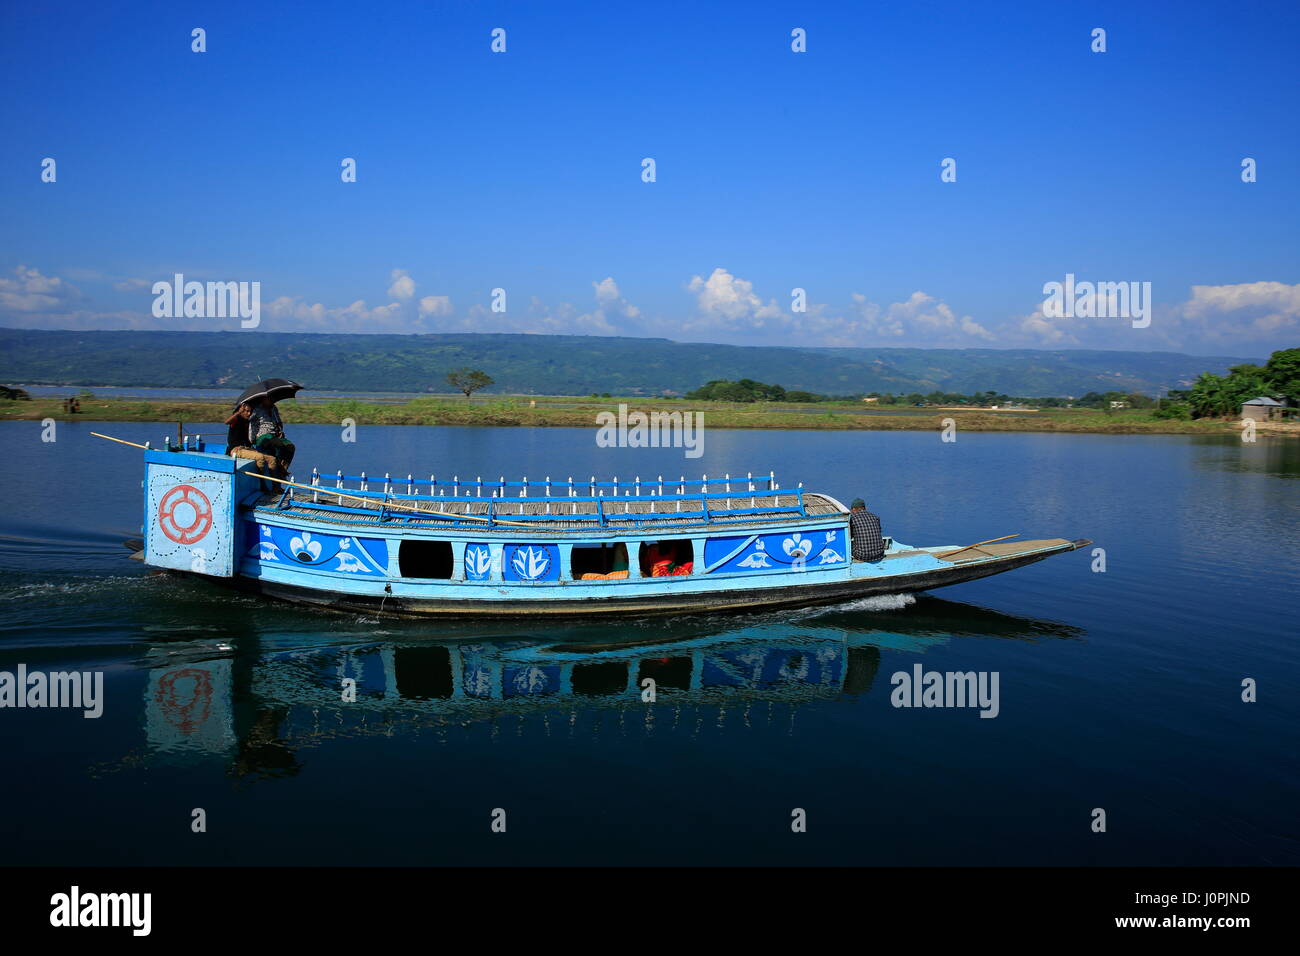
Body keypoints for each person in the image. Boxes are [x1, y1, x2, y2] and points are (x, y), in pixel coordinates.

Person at [247, 395, 295, 477]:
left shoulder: (274, 409)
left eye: (272, 398)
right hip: (262, 436)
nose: (272, 400)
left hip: (274, 435)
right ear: (263, 399)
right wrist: (252, 439)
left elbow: (278, 422)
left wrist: (280, 431)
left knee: (290, 446)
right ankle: (278, 467)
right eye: (269, 399)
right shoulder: (257, 410)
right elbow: (250, 423)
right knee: (278, 444)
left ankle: (283, 469)